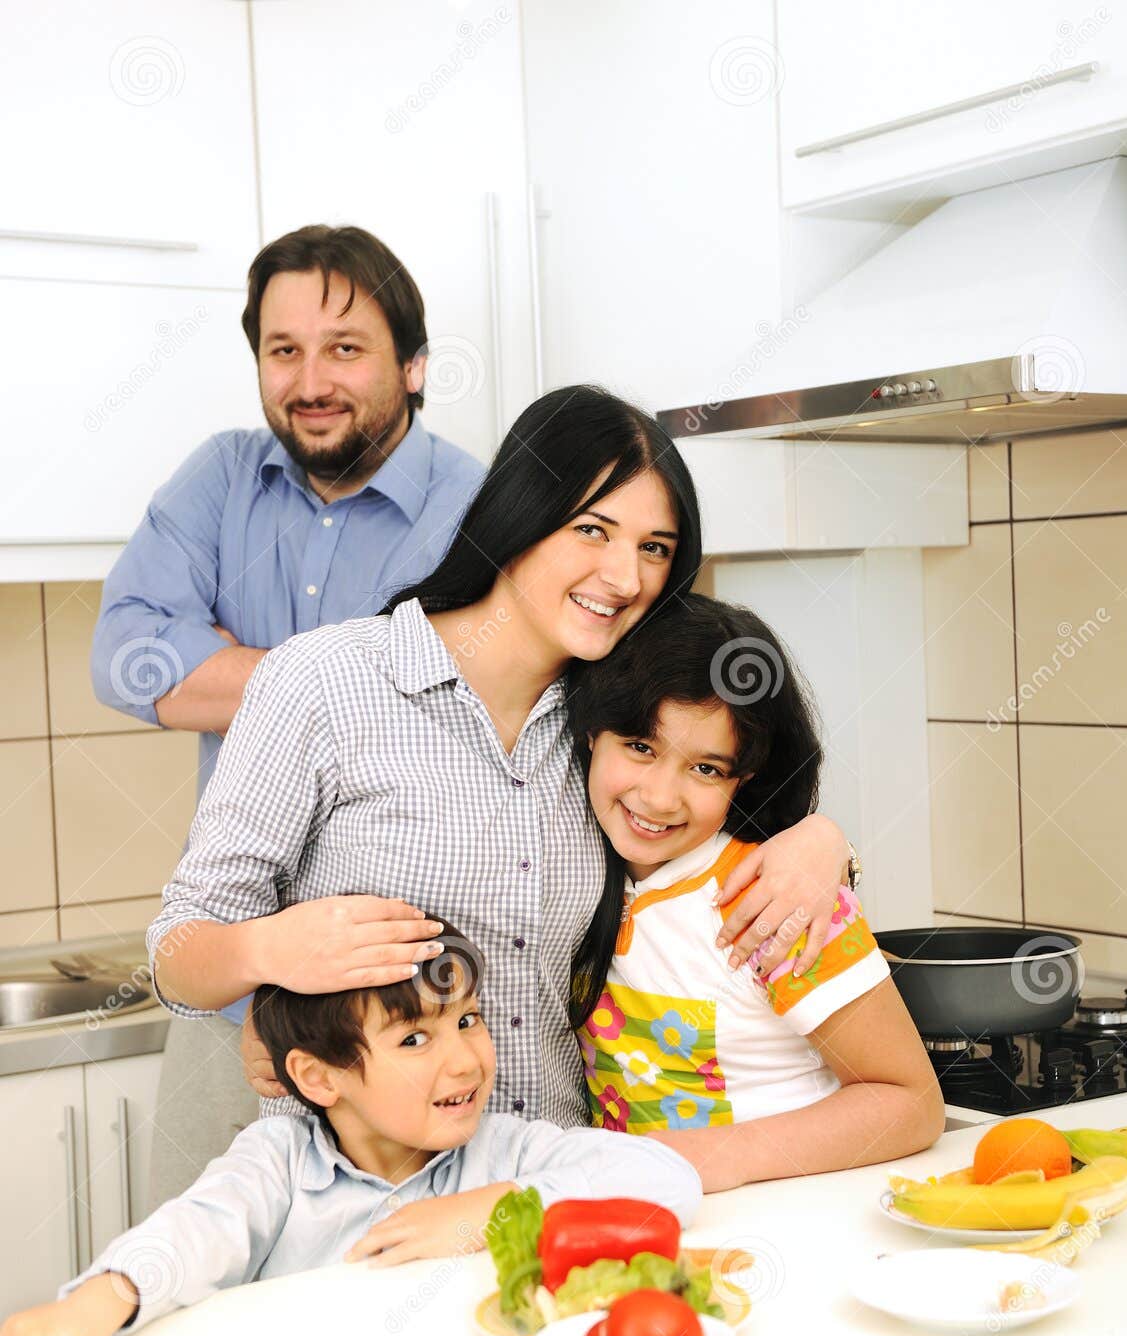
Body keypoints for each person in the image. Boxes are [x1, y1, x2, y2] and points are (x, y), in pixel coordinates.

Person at [146, 386, 854, 1162]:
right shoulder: (323, 682)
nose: (623, 575)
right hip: (362, 1201)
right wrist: (267, 952)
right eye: (592, 530)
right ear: (519, 517)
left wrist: (819, 839)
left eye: (654, 547)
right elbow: (178, 957)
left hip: (550, 1185)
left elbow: (712, 835)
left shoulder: (616, 725)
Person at [91, 225, 487, 1203]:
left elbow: (478, 702)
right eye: (283, 350)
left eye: (345, 348)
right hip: (224, 984)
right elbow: (125, 656)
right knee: (186, 1294)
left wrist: (225, 662)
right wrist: (365, 676)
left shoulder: (480, 508)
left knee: (392, 1306)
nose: (310, 379)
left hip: (409, 1016)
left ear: (414, 363)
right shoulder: (221, 479)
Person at [0, 926, 700, 1336]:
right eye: (414, 1041)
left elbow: (664, 1179)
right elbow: (195, 1230)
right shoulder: (278, 1163)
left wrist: (486, 1210)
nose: (463, 1059)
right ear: (318, 1077)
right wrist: (102, 1301)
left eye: (467, 1021)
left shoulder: (505, 1150)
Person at [567, 594, 944, 1192]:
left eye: (706, 769)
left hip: (783, 1225)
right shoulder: (573, 869)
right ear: (592, 733)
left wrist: (705, 1159)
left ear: (745, 779)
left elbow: (912, 1101)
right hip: (655, 1224)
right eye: (640, 747)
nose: (661, 797)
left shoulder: (778, 898)